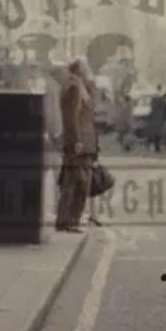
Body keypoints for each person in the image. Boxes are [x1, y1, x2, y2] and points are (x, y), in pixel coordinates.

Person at [56, 58, 99, 232]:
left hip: (84, 143)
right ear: (80, 70)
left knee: (78, 182)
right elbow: (71, 117)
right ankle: (68, 220)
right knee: (76, 183)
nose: (89, 70)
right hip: (79, 144)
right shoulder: (74, 88)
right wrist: (76, 140)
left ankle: (69, 220)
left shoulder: (81, 86)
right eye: (86, 68)